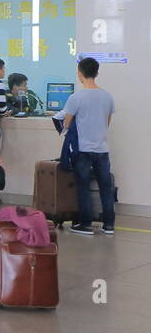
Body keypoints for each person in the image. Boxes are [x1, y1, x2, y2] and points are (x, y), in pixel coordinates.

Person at [62, 57, 116, 235]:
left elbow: (66, 123)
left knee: (83, 187)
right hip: (102, 149)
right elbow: (107, 122)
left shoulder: (76, 97)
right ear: (97, 73)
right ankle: (109, 225)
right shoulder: (108, 96)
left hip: (83, 150)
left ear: (79, 74)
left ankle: (85, 224)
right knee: (105, 188)